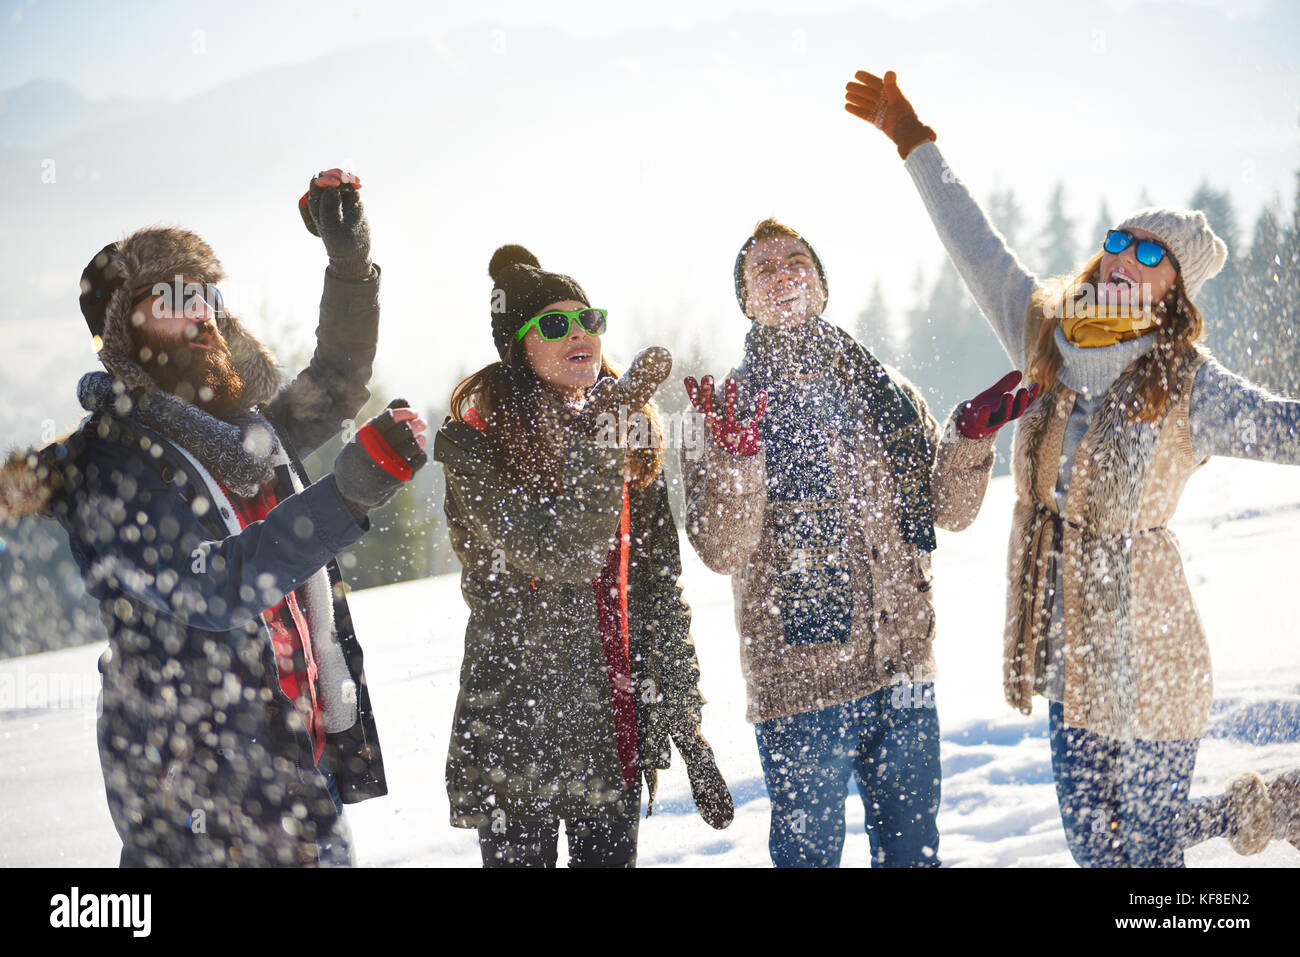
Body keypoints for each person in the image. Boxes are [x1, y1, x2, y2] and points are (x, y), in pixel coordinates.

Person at [844, 68, 1300, 866]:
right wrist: (914, 142)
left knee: (1146, 852)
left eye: (1150, 253)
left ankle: (1263, 809)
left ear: (1175, 290)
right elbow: (976, 246)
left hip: (1153, 649)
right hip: (1067, 654)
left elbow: (1286, 427)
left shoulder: (1190, 383)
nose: (1125, 256)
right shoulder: (1046, 334)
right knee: (1097, 850)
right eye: (1118, 241)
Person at [0, 169, 429, 866]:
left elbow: (336, 380)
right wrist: (344, 497)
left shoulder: (246, 438)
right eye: (173, 297)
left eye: (206, 294)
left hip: (300, 776)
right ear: (123, 333)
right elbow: (213, 587)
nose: (199, 311)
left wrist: (349, 264)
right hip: (199, 803)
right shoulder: (104, 464)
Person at [680, 217, 1037, 867]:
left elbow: (948, 513)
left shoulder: (886, 391)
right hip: (802, 693)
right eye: (764, 269)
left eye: (796, 262)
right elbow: (722, 550)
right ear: (746, 302)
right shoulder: (726, 408)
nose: (784, 274)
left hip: (905, 675)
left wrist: (968, 440)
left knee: (913, 857)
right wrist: (736, 459)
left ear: (820, 284)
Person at [432, 245, 731, 868]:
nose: (579, 334)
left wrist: (684, 720)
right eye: (553, 323)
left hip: (611, 727)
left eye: (588, 319)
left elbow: (657, 591)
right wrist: (602, 438)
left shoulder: (625, 430)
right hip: (517, 731)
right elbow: (562, 552)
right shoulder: (473, 446)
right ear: (517, 348)